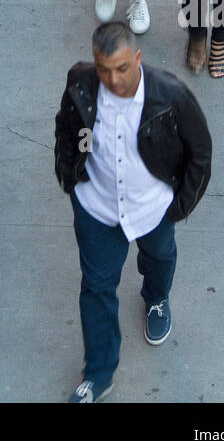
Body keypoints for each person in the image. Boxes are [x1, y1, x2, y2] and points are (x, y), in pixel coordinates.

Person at [54, 21, 212, 403]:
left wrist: (180, 206)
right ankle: (98, 374)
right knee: (96, 288)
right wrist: (69, 177)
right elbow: (66, 129)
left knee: (159, 256)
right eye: (104, 69)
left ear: (138, 58)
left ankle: (156, 298)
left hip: (153, 208)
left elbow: (200, 152)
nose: (113, 79)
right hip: (96, 208)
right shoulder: (80, 82)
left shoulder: (171, 95)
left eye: (122, 68)